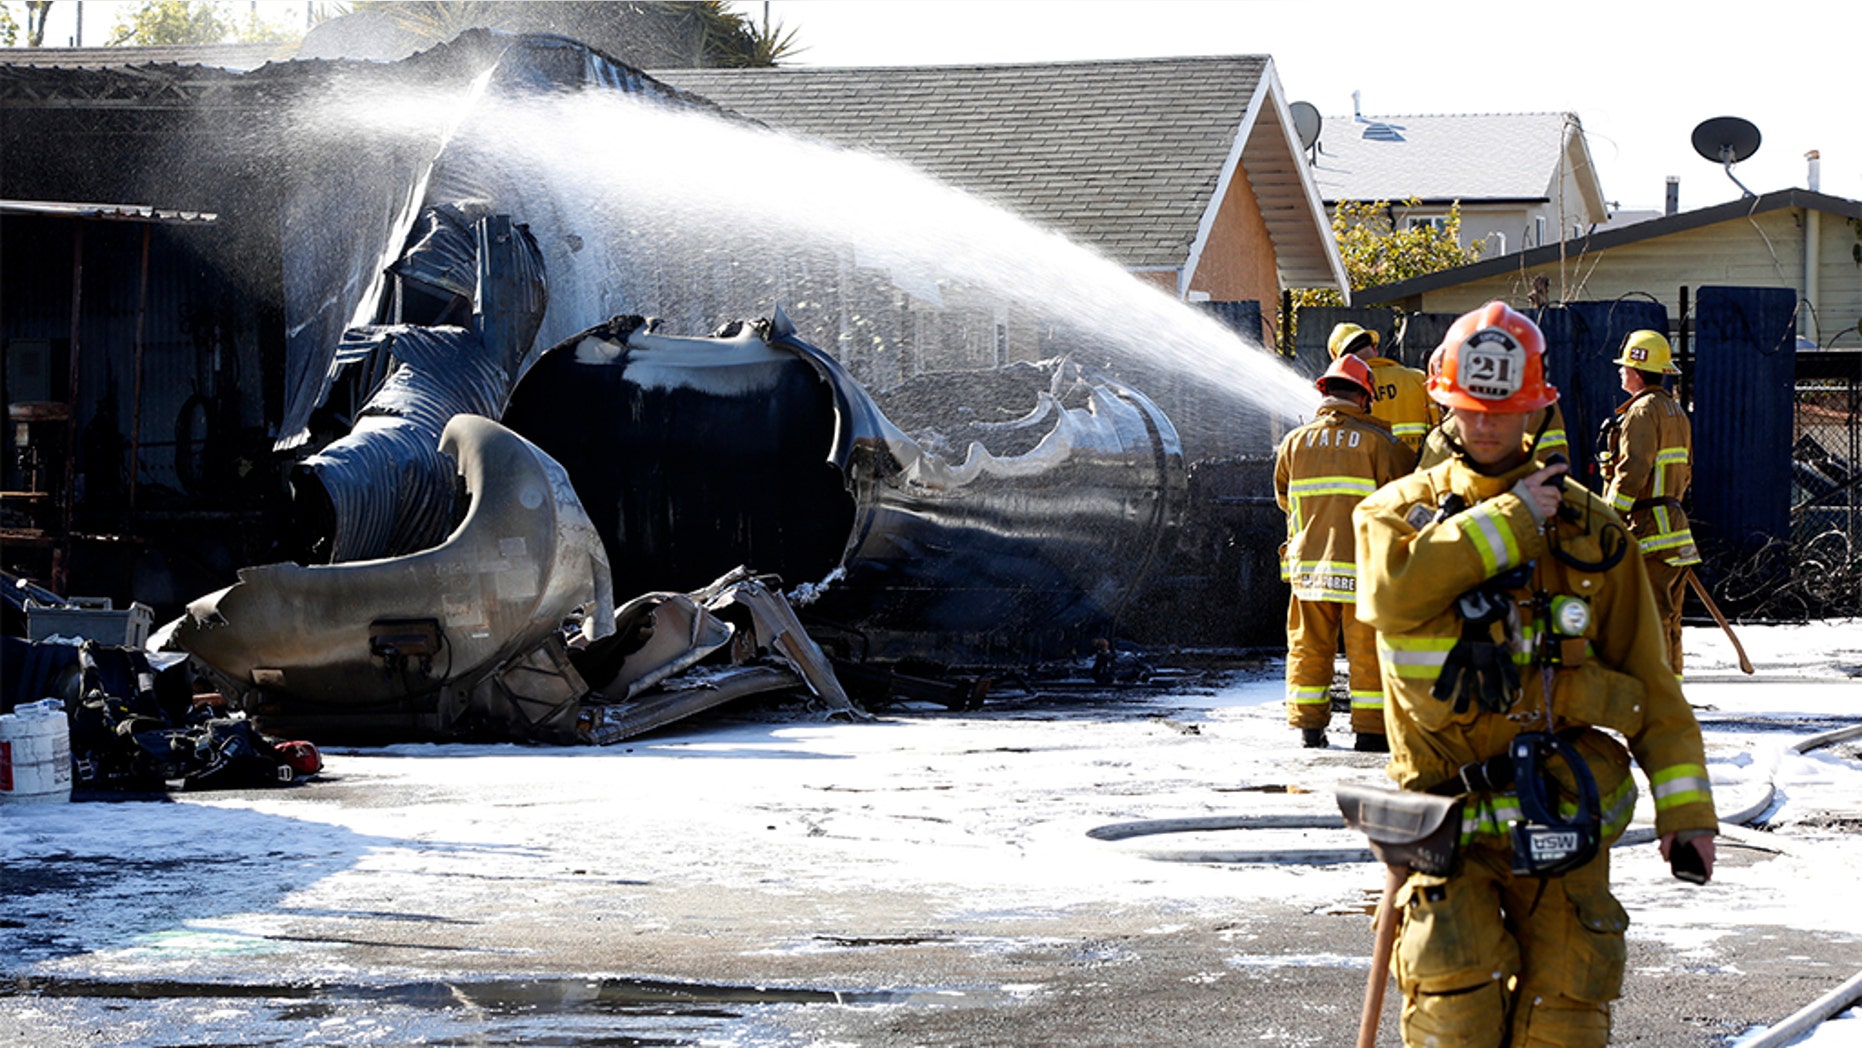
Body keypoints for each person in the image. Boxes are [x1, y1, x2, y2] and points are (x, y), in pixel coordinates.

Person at [1353, 301, 1717, 1047]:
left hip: (1562, 813)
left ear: (1540, 406)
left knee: (1569, 1012)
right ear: (1442, 399)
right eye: (1471, 410)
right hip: (1443, 820)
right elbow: (1393, 597)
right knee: (1454, 1008)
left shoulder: (1591, 531)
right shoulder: (1394, 516)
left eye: (1506, 412)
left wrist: (1687, 814)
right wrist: (1510, 522)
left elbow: (1651, 684)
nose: (1487, 427)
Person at [1274, 352, 1417, 751]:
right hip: (1365, 568)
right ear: (1365, 397)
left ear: (1325, 392)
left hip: (1309, 570)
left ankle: (1309, 729)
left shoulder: (1293, 443)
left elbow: (1285, 499)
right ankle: (1370, 733)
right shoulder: (1383, 444)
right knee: (1367, 649)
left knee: (1308, 647)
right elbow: (1407, 499)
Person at [1599, 330, 1701, 679]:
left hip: (1649, 533)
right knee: (1669, 618)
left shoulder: (1642, 412)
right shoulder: (1676, 412)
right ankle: (1671, 690)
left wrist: (1609, 518)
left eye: (1625, 366)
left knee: (1651, 616)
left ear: (1638, 372)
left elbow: (1632, 471)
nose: (1620, 372)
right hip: (1675, 528)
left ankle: (1656, 695)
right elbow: (1685, 472)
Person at [1329, 322, 1440, 453]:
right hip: (1420, 468)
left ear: (1340, 363)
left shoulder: (1348, 391)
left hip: (1371, 468)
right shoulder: (1418, 378)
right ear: (1374, 349)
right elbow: (1439, 426)